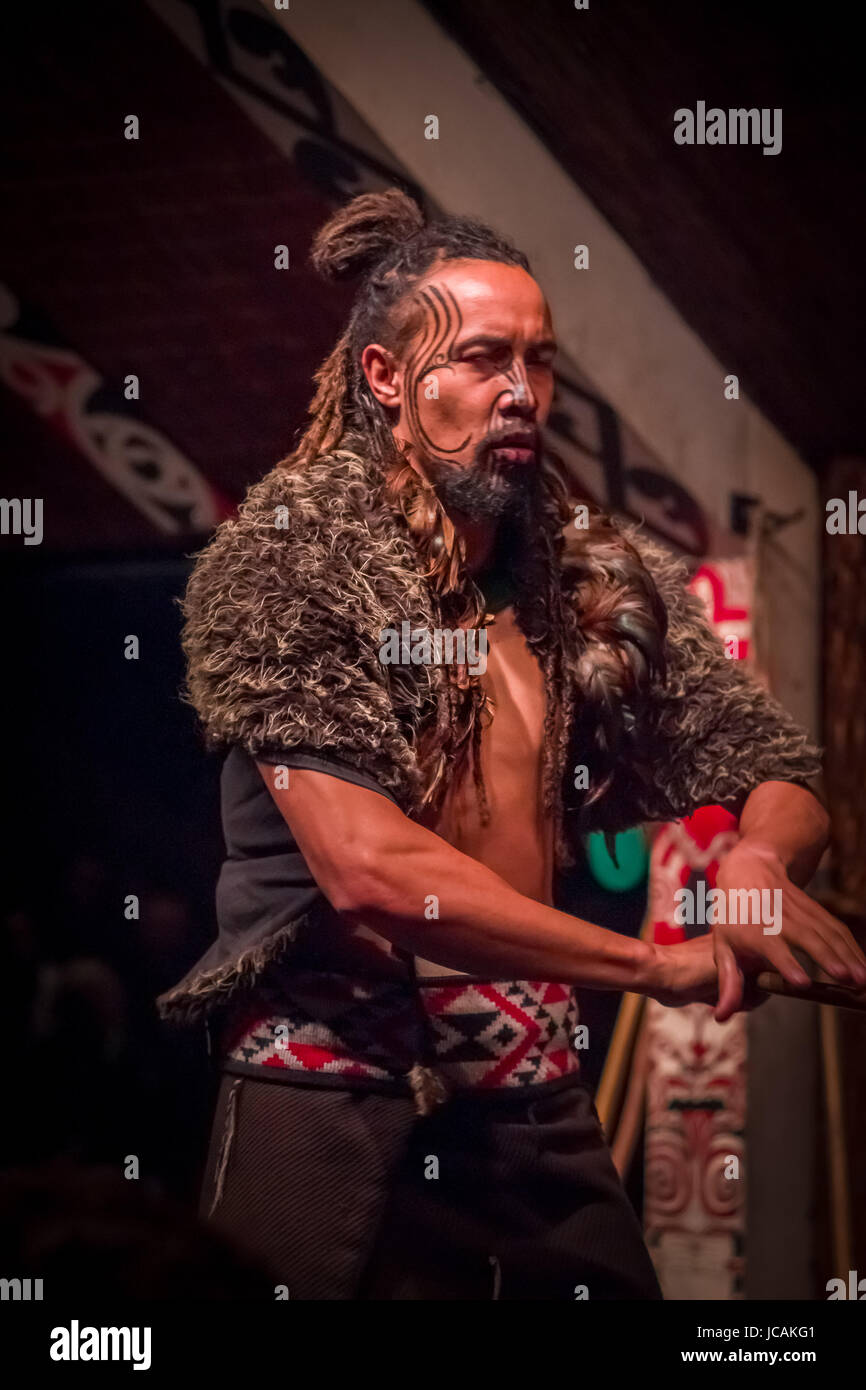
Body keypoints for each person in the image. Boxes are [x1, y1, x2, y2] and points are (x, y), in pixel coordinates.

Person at [157, 190, 865, 1300]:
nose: (519, 393)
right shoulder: (290, 564)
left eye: (536, 362)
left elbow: (771, 764)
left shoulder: (587, 578)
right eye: (483, 360)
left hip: (530, 1097)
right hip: (329, 1095)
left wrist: (755, 866)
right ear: (387, 377)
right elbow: (368, 870)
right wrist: (649, 966)